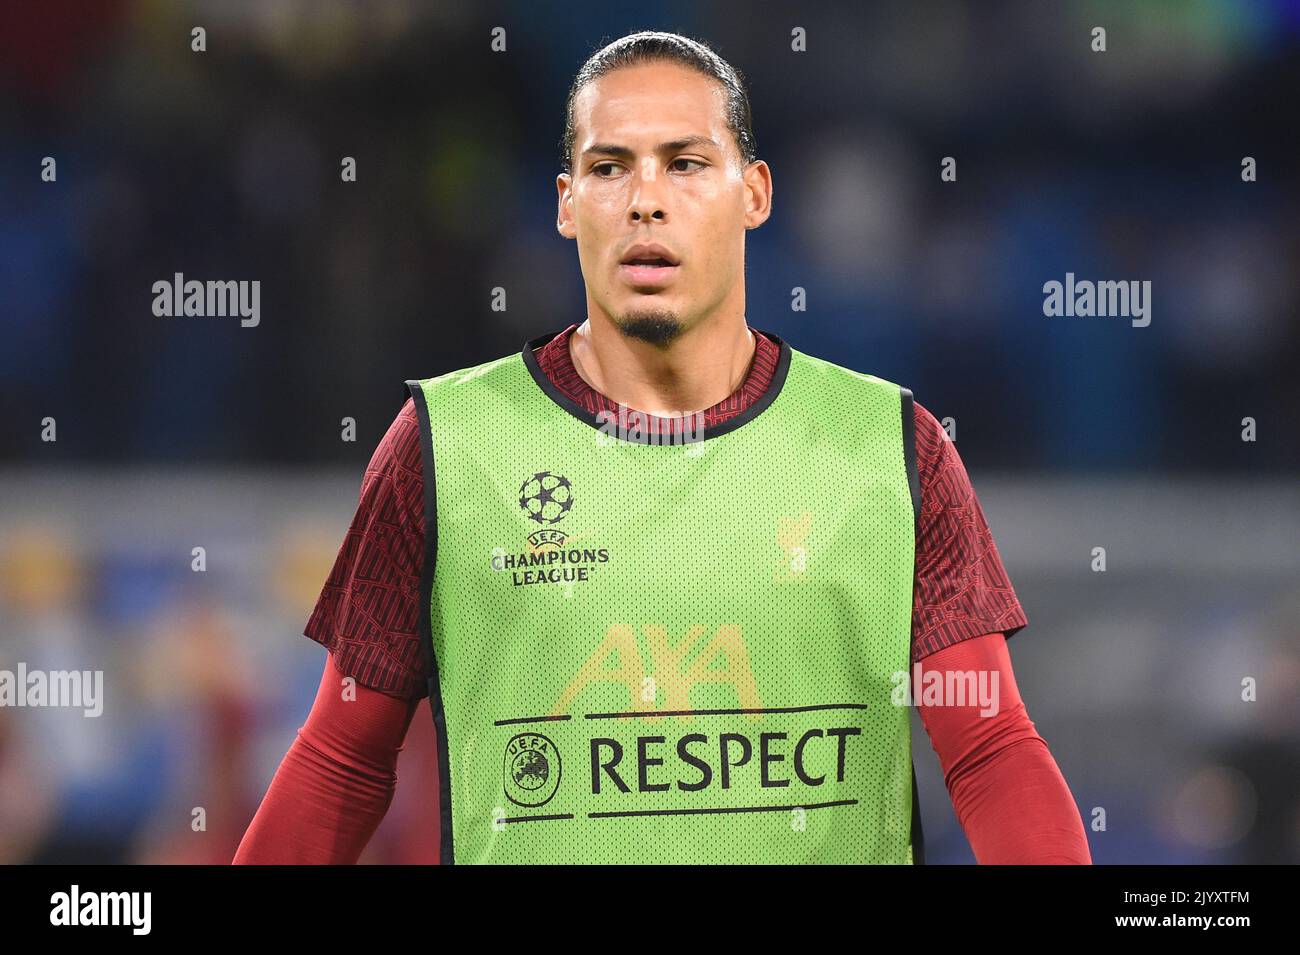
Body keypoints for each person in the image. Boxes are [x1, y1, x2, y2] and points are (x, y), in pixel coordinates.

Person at [235, 31, 1091, 864]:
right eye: (611, 168)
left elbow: (989, 749)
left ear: (754, 192)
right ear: (567, 202)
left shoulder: (892, 450)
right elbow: (342, 762)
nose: (646, 197)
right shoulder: (444, 450)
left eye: (686, 163)